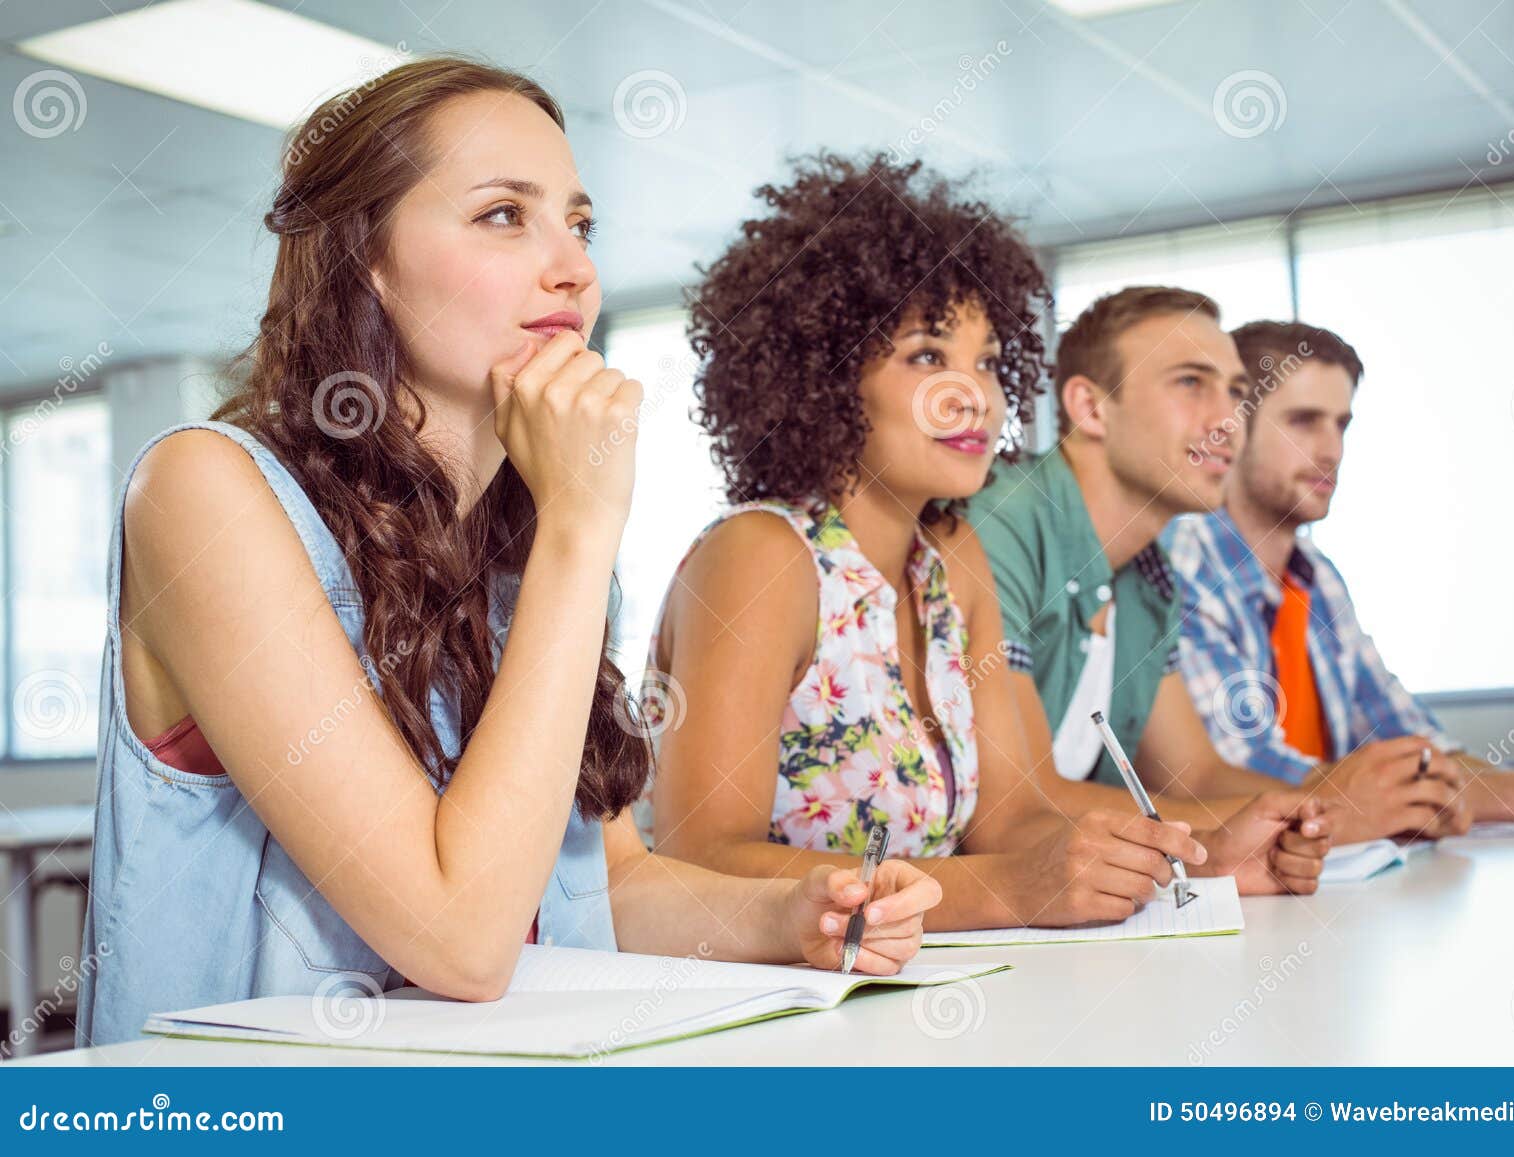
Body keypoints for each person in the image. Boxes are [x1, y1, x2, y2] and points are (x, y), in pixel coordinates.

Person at [76, 58, 940, 1048]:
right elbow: (463, 940)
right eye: (502, 215)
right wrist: (582, 526)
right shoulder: (203, 492)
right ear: (367, 260)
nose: (572, 267)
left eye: (578, 223)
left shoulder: (535, 544)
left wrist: (786, 917)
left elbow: (608, 882)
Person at [646, 158, 1329, 933]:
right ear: (825, 379)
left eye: (989, 361)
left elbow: (1014, 820)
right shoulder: (759, 557)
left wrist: (1197, 858)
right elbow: (698, 858)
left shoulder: (952, 559)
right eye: (928, 356)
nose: (977, 392)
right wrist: (1003, 890)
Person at [965, 287, 1468, 844]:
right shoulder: (1000, 524)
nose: (1231, 421)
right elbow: (1023, 806)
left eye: (1235, 393)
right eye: (1190, 383)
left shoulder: (1148, 577)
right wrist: (1332, 812)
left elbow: (1194, 776)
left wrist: (1332, 809)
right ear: (1091, 407)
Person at [1166, 319, 1514, 823]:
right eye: (1304, 420)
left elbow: (1415, 744)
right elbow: (1241, 777)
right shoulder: (1185, 562)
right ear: (1232, 427)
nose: (1331, 450)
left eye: (1341, 424)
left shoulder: (1317, 578)